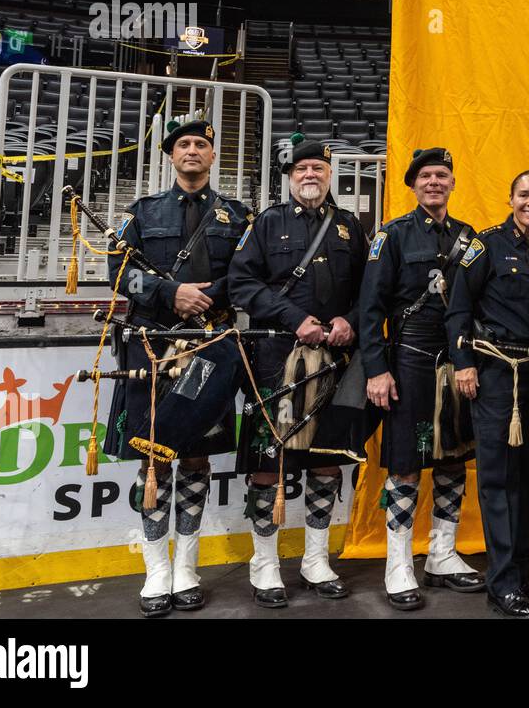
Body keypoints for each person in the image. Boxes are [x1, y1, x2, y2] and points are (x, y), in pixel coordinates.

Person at [103, 119, 251, 617]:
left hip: (211, 349)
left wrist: (206, 298)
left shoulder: (238, 216)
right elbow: (117, 272)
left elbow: (249, 275)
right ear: (171, 156)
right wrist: (172, 294)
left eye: (202, 144)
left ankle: (187, 566)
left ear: (213, 156)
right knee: (153, 458)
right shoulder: (141, 213)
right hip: (151, 350)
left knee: (196, 459)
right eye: (184, 144)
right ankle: (156, 572)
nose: (193, 150)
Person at [228, 135, 369, 607]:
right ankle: (265, 564)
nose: (311, 176)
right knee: (269, 465)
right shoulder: (266, 223)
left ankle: (315, 559)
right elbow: (241, 285)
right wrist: (296, 319)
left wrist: (350, 318)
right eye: (302, 169)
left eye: (319, 169)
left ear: (331, 176)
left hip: (336, 359)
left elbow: (369, 289)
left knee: (326, 460)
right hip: (276, 359)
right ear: (289, 177)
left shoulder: (350, 226)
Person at [361, 147, 483, 610]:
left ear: (452, 183)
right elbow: (370, 309)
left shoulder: (469, 237)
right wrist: (376, 368)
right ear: (413, 184)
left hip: (457, 359)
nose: (435, 182)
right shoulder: (390, 236)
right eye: (426, 176)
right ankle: (399, 563)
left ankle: (442, 554)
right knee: (406, 465)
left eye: (442, 175)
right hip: (408, 358)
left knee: (453, 458)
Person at [445, 171, 529, 619]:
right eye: (525, 195)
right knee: (498, 482)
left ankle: (521, 573)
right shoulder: (484, 245)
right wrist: (463, 363)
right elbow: (457, 310)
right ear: (510, 198)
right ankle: (502, 583)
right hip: (494, 375)